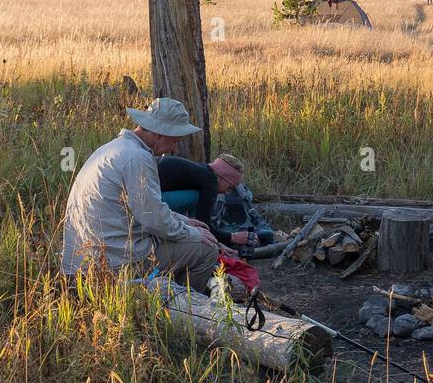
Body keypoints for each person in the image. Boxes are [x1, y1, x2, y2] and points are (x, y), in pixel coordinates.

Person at [60, 97, 221, 290]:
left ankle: (162, 293)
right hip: (113, 264)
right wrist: (190, 231)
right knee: (206, 249)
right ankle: (183, 309)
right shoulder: (139, 158)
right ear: (160, 133)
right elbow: (153, 220)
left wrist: (184, 221)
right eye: (174, 141)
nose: (174, 149)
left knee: (187, 239)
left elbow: (142, 209)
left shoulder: (113, 149)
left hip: (82, 263)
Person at [157, 152, 268, 251]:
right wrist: (233, 237)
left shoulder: (202, 171)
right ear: (221, 177)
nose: (226, 192)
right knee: (196, 198)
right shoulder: (210, 182)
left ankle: (188, 235)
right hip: (150, 202)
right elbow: (204, 224)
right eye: (230, 187)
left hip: (149, 196)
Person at [209, 154, 277, 247]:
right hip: (222, 227)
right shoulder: (210, 191)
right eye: (229, 186)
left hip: (240, 223)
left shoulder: (240, 190)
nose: (229, 190)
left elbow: (251, 211)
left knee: (266, 235)